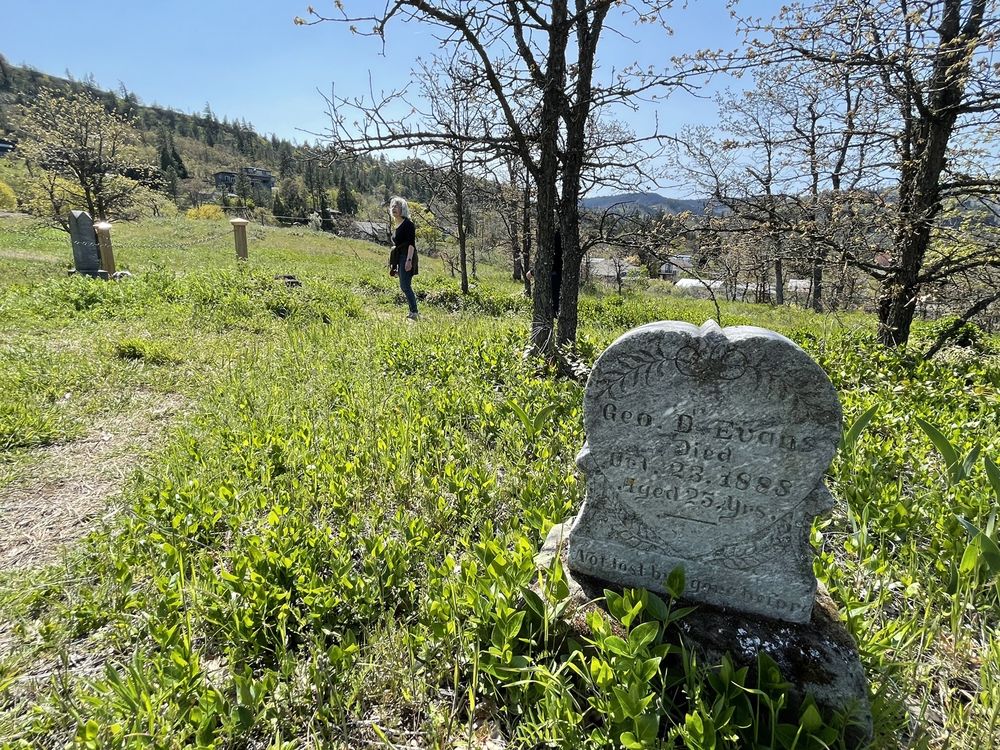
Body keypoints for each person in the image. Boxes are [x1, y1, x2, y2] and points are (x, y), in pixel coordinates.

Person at [388, 196, 419, 320]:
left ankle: (414, 312)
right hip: (399, 256)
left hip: (407, 256)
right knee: (404, 285)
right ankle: (412, 311)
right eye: (393, 206)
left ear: (403, 209)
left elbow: (411, 243)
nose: (394, 208)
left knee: (405, 286)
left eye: (397, 206)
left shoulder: (408, 224)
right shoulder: (396, 224)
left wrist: (409, 260)